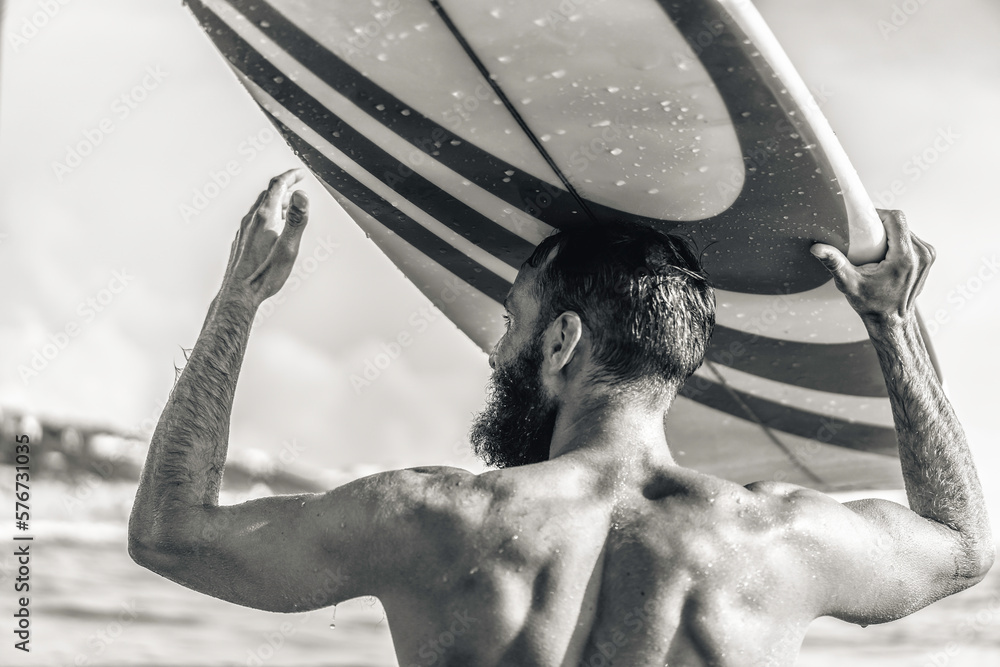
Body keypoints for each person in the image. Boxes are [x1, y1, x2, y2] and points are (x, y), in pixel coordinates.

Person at [129, 169, 993, 667]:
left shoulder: (437, 519)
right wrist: (893, 326)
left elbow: (172, 533)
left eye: (512, 323)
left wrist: (236, 304)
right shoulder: (774, 540)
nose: (498, 351)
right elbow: (962, 544)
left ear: (561, 341)